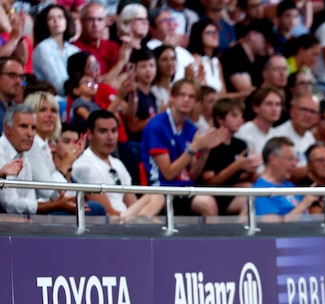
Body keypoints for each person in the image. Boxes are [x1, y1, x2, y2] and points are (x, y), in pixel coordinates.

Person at [140, 78, 226, 216]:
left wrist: (205, 152)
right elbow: (168, 174)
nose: (186, 99)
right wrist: (193, 147)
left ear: (196, 103)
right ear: (172, 97)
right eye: (182, 95)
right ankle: (213, 238)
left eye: (191, 97)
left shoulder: (192, 129)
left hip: (184, 188)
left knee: (220, 198)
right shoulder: (157, 126)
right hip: (161, 189)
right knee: (207, 203)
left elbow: (191, 175)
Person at [0, 104, 93, 215]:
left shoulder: (24, 154)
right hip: (6, 225)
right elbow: (11, 205)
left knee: (86, 207)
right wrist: (55, 205)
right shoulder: (2, 151)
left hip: (20, 222)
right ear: (7, 128)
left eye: (33, 128)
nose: (30, 134)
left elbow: (32, 199)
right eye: (23, 126)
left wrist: (59, 203)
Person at [72, 109, 164, 219]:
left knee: (158, 196)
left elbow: (132, 203)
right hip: (110, 223)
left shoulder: (117, 164)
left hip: (128, 219)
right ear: (90, 134)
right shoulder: (84, 166)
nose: (110, 137)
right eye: (103, 131)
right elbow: (106, 212)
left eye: (114, 131)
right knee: (156, 196)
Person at [253, 136, 319, 218]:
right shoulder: (261, 191)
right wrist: (304, 204)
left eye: (295, 160)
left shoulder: (288, 185)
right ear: (273, 159)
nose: (294, 164)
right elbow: (273, 227)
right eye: (290, 159)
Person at [32, 4, 81, 96]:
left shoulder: (74, 50)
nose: (56, 21)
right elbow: (58, 85)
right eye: (51, 18)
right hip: (52, 99)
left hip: (75, 96)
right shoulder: (43, 48)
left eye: (60, 17)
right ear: (45, 24)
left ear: (67, 21)